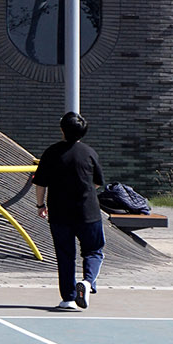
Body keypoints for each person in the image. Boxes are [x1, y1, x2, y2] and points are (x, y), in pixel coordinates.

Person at [33, 111, 105, 311]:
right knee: (93, 251)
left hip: (59, 213)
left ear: (62, 130)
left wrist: (41, 206)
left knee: (65, 255)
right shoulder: (90, 153)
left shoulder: (51, 153)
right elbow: (98, 182)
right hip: (88, 212)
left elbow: (40, 184)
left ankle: (68, 298)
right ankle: (88, 282)